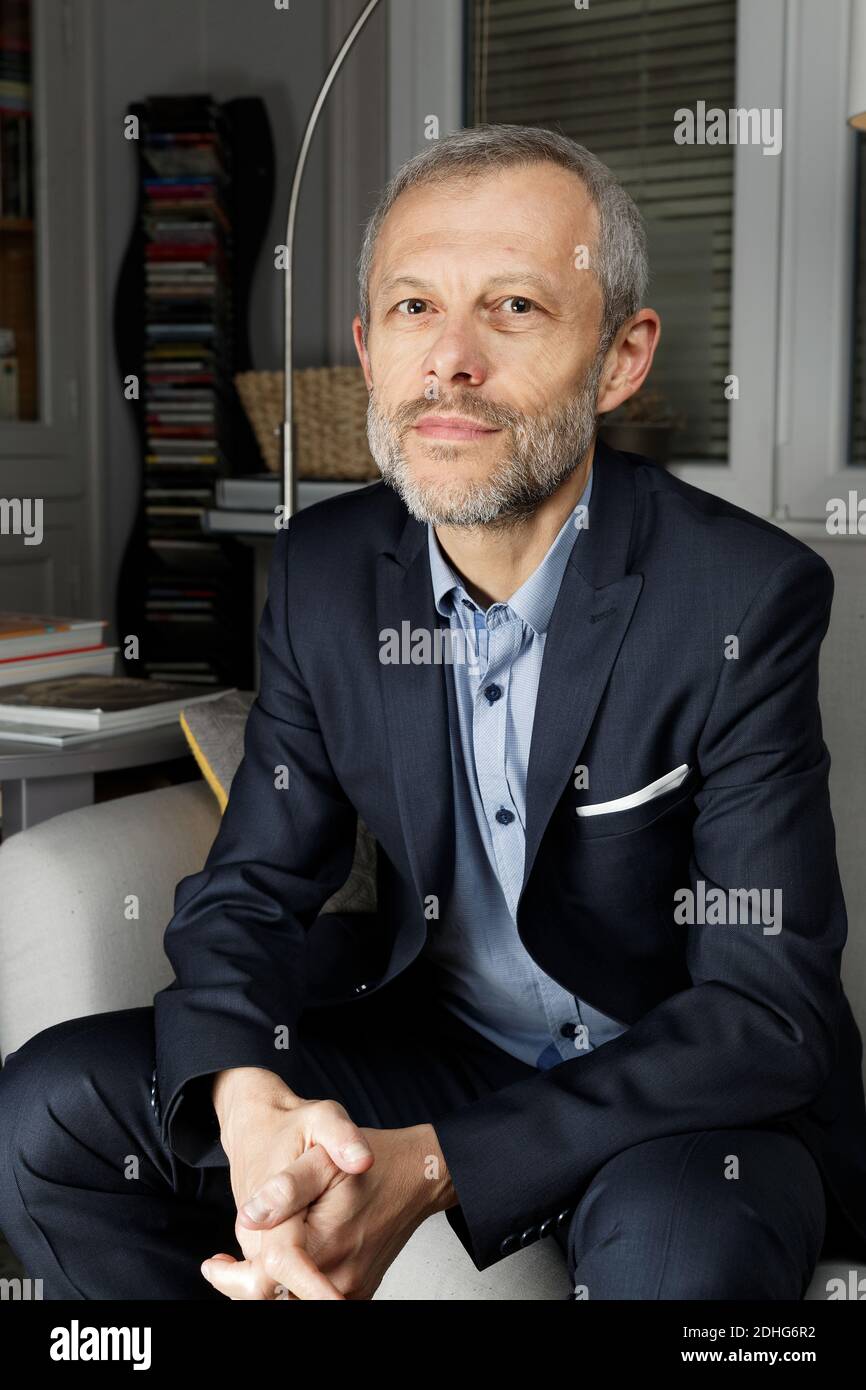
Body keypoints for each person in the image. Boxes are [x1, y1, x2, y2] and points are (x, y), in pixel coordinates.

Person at [2, 124, 865, 1301]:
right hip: (441, 1046)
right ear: (366, 347)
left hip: (674, 1095)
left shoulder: (740, 595)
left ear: (618, 358)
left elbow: (766, 1010)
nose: (449, 359)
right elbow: (251, 892)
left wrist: (434, 1166)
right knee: (51, 1102)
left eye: (511, 307)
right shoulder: (325, 570)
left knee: (681, 1254)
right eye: (413, 308)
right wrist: (246, 1099)